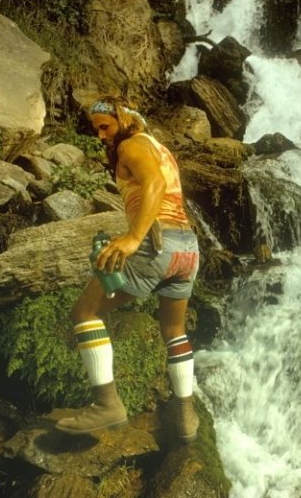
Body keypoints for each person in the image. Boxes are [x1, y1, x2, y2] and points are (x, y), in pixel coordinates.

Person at [55, 95, 200, 442]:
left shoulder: (131, 146)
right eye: (96, 131)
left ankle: (106, 405)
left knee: (85, 312)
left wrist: (134, 237)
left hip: (156, 244)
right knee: (174, 329)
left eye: (105, 127)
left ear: (124, 119)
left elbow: (155, 185)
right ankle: (186, 417)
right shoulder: (158, 147)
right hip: (187, 249)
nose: (101, 136)